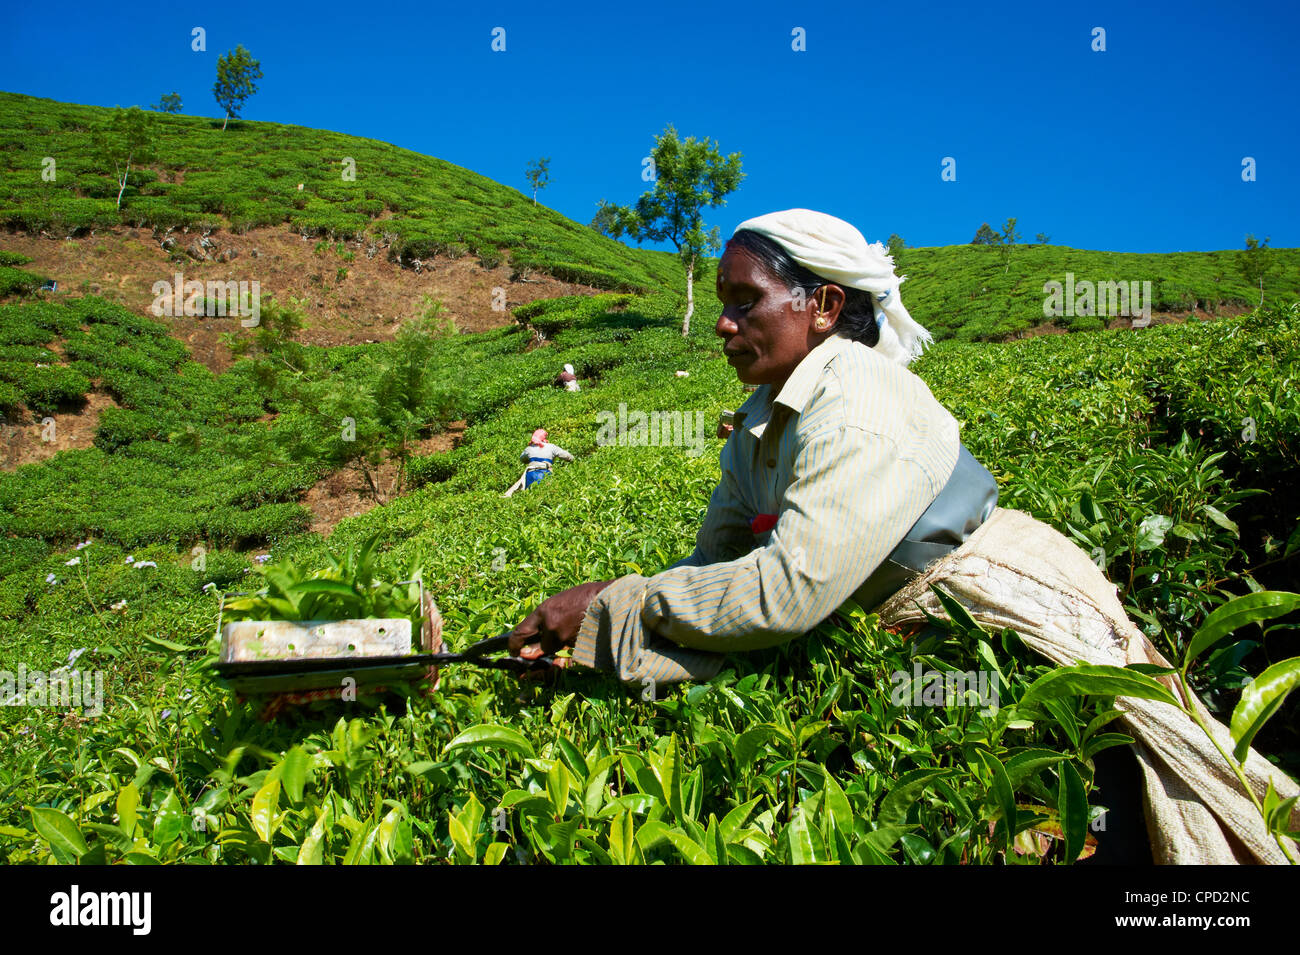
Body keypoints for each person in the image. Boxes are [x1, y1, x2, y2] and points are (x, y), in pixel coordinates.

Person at [507, 208, 1298, 865]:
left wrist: (614, 607)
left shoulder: (860, 395)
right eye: (720, 300)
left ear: (820, 306)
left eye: (745, 300)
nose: (721, 321)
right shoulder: (753, 427)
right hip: (912, 631)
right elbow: (714, 569)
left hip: (1005, 618)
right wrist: (599, 635)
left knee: (1126, 819)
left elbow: (784, 590)